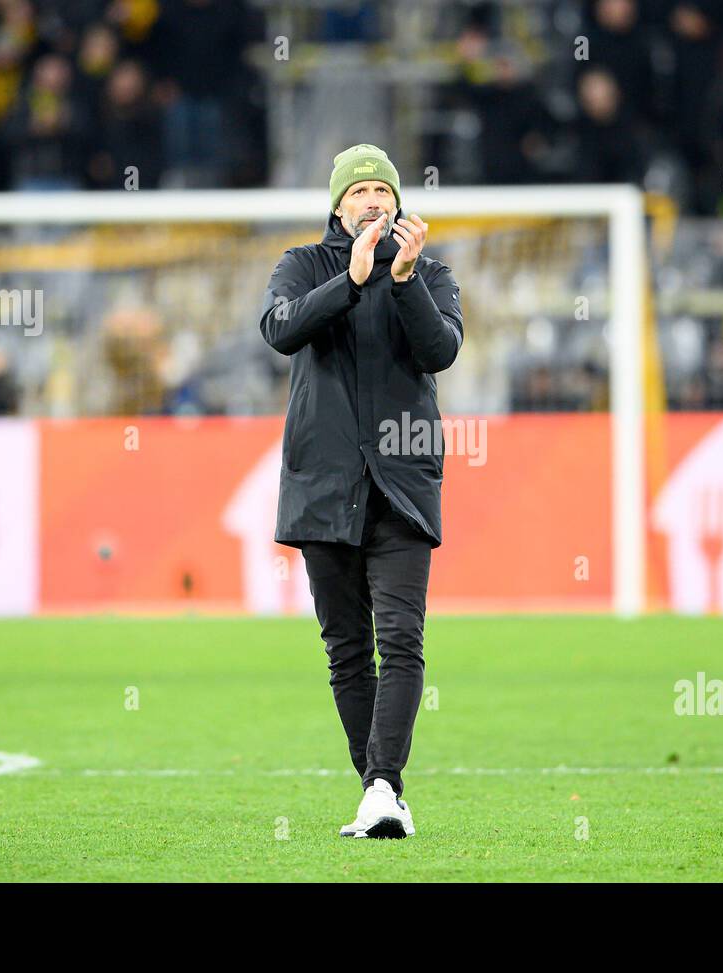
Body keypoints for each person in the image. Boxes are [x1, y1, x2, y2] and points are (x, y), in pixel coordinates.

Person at [258, 145, 464, 837]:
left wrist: (401, 280)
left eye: (384, 189)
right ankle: (382, 791)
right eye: (361, 191)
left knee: (402, 638)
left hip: (402, 485)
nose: (374, 200)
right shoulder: (303, 265)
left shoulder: (431, 273)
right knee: (346, 647)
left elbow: (441, 351)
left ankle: (381, 785)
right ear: (339, 207)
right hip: (325, 485)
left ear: (400, 204)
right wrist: (350, 279)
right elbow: (280, 330)